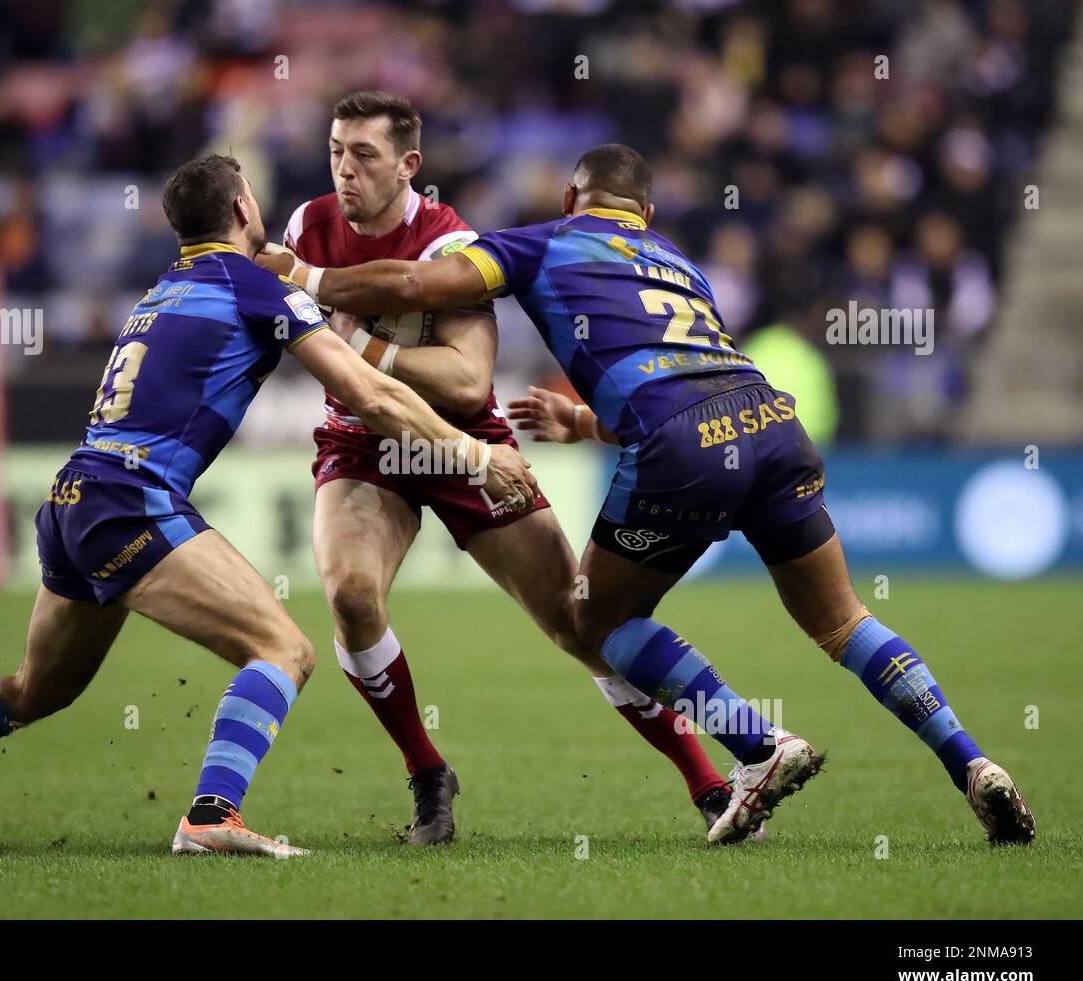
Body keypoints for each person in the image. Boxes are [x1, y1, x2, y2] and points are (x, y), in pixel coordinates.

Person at [259, 143, 1036, 846]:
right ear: (648, 213)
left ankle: (759, 747)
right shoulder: (675, 260)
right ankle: (972, 764)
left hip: (682, 448)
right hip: (771, 424)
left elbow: (411, 281)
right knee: (842, 621)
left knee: (597, 618)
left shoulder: (544, 243)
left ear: (570, 200)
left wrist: (306, 278)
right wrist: (589, 422)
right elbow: (691, 372)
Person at [0, 153, 536, 857]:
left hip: (75, 494)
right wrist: (476, 455)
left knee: (36, 688)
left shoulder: (164, 286)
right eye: (254, 199)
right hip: (132, 499)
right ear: (241, 212)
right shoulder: (252, 284)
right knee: (282, 648)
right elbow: (370, 394)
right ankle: (209, 816)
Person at [272, 91, 733, 845]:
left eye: (365, 156)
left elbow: (462, 380)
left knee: (582, 624)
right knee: (353, 599)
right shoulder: (306, 227)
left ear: (409, 166)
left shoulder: (449, 245)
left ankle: (709, 783)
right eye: (336, 151)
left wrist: (352, 346)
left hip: (467, 445)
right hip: (362, 443)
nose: (345, 170)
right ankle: (428, 773)